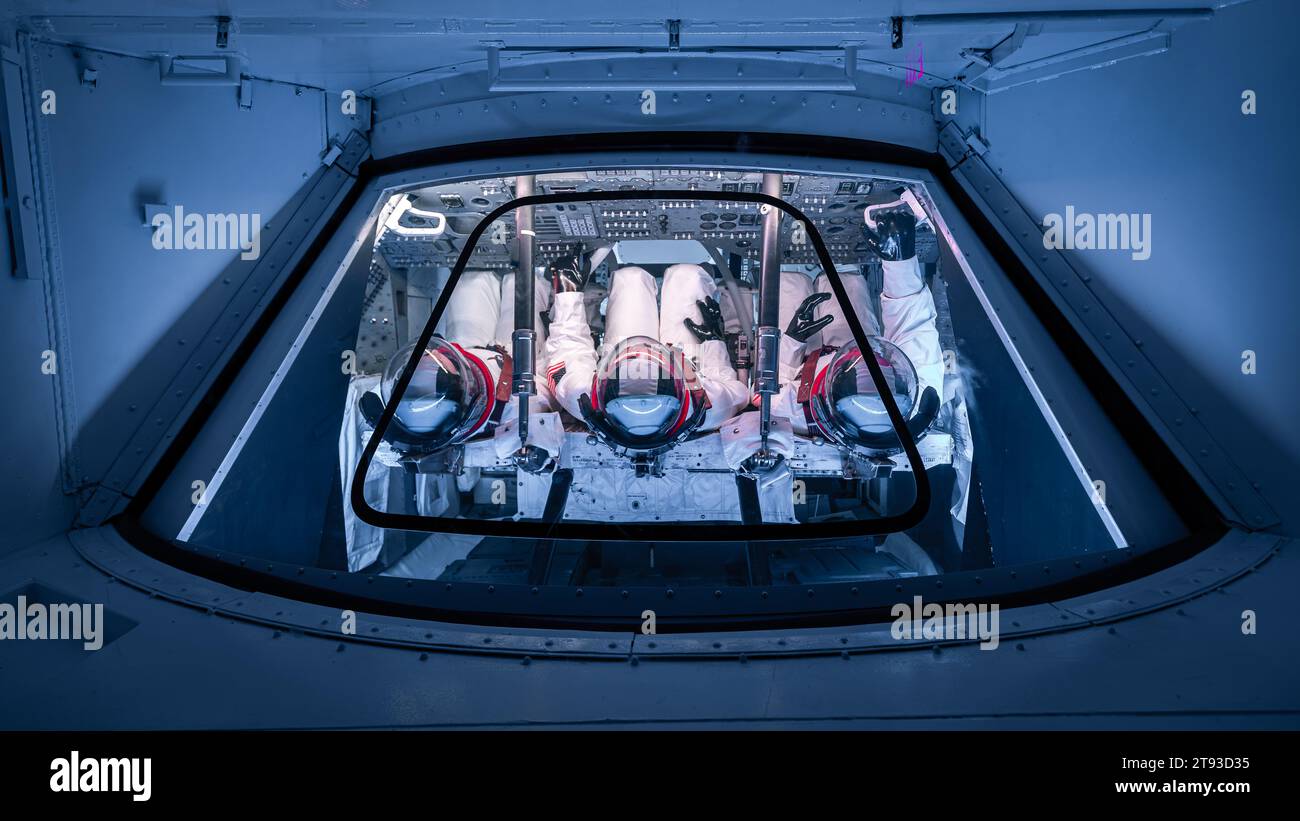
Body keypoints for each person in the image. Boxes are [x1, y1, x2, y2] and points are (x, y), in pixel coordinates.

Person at [544, 256, 749, 459]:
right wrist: (713, 341)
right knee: (688, 275)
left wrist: (568, 292)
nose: (643, 357)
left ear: (602, 385)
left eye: (627, 379)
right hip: (685, 361)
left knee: (630, 278)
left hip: (619, 351)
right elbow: (735, 389)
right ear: (680, 388)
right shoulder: (709, 407)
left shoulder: (578, 395)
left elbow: (568, 342)